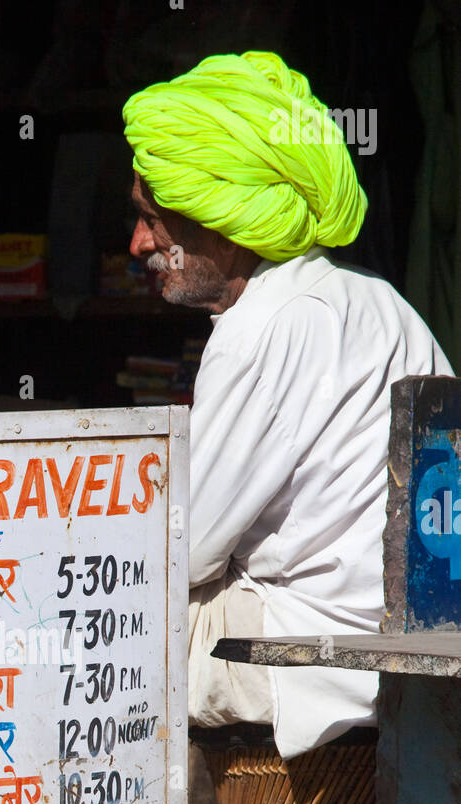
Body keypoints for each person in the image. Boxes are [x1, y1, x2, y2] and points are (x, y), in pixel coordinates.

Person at [123, 50, 453, 759]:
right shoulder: (376, 301)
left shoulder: (262, 328)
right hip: (415, 630)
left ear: (221, 214)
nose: (140, 244)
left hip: (322, 647)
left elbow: (187, 551)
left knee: (97, 634)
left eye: (154, 219)